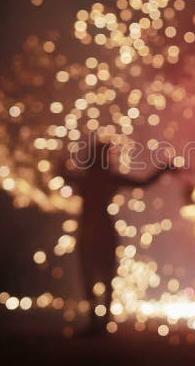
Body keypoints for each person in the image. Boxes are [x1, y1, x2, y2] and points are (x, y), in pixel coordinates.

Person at [64, 140, 173, 335]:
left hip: (89, 229)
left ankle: (95, 322)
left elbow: (62, 175)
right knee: (106, 276)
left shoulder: (85, 178)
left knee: (89, 276)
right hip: (103, 229)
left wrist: (60, 160)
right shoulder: (108, 178)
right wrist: (164, 169)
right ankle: (103, 323)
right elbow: (143, 183)